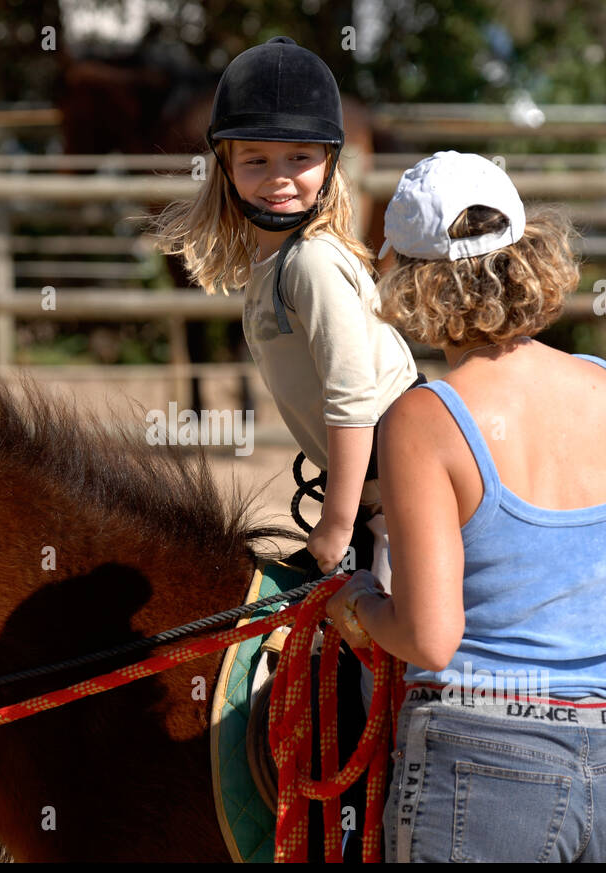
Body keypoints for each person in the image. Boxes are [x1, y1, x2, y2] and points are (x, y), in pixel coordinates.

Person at [326, 151, 606, 863]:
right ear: (529, 254)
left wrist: (359, 603)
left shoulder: (426, 417)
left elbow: (430, 639)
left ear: (414, 280)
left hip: (479, 761)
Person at [149, 36, 418, 588]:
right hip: (379, 486)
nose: (278, 178)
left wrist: (337, 521)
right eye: (256, 160)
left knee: (388, 658)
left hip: (400, 491)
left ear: (330, 163)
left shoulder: (313, 264)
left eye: (299, 157)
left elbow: (351, 395)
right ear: (224, 167)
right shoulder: (278, 263)